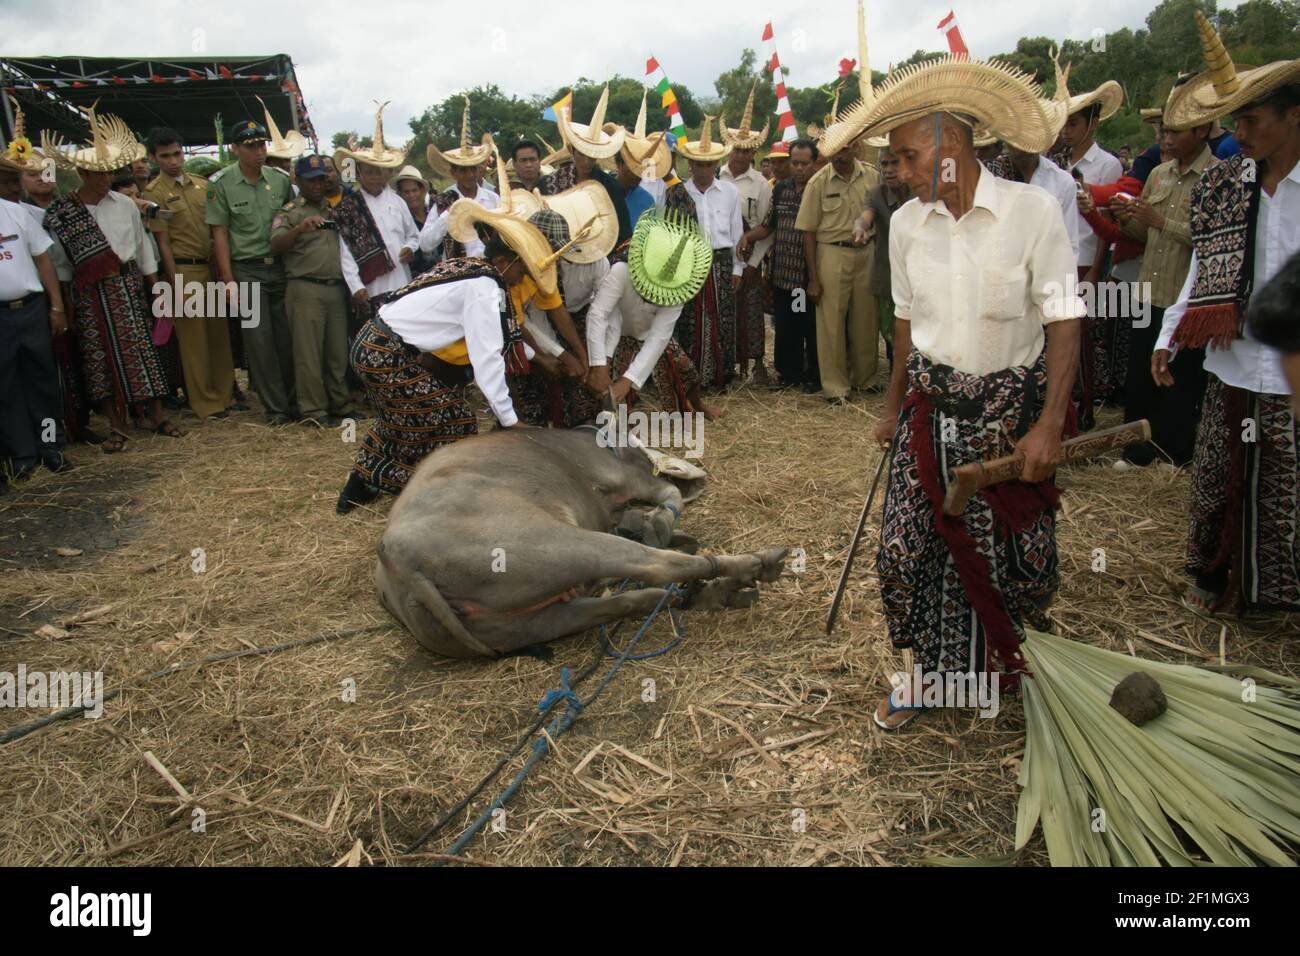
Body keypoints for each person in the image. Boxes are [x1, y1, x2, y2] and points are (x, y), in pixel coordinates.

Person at [843, 44, 1082, 729]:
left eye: (910, 156)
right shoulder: (906, 224)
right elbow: (905, 325)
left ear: (954, 145)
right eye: (894, 158)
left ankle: (1004, 669)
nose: (900, 171)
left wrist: (1049, 426)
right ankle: (924, 676)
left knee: (1013, 560)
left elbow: (1065, 322)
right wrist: (891, 409)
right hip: (928, 411)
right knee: (903, 552)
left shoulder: (1033, 212)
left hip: (1008, 416)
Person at [1153, 12, 1300, 614]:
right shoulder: (1225, 187)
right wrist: (1168, 336)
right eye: (1234, 120)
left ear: (1295, 115)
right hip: (1233, 360)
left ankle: (1282, 594)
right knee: (1220, 473)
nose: (1239, 132)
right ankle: (1216, 578)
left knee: (1288, 484)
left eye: (1251, 120)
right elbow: (1201, 273)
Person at [336, 207, 560, 513]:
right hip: (384, 353)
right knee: (455, 421)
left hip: (376, 345)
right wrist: (511, 421)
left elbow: (501, 336)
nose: (525, 277)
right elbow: (488, 359)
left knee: (401, 419)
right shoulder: (485, 289)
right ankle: (433, 492)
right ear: (504, 263)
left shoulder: (478, 273)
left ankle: (359, 486)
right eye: (523, 269)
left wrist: (540, 358)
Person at [40, 107, 183, 450]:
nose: (105, 180)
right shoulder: (63, 213)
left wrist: (156, 289)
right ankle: (117, 425)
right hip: (89, 293)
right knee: (97, 358)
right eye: (97, 174)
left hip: (127, 286)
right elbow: (60, 263)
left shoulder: (125, 204)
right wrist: (63, 303)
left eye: (111, 174)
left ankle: (158, 415)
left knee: (144, 352)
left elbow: (143, 248)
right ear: (82, 173)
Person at [1115, 113, 1216, 467]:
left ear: (1202, 130)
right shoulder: (1159, 174)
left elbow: (1213, 240)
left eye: (1174, 132)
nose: (1166, 139)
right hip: (1147, 294)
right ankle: (1136, 451)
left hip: (1184, 301)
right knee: (1140, 377)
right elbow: (1145, 236)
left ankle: (1174, 454)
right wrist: (1127, 218)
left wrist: (1161, 221)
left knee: (1179, 379)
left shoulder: (1217, 176)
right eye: (1163, 132)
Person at [142, 126, 239, 420]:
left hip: (210, 267)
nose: (173, 161)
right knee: (194, 343)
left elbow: (216, 230)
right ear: (153, 158)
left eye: (177, 153)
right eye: (165, 156)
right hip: (183, 270)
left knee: (218, 336)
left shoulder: (202, 186)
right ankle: (205, 403)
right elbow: (163, 244)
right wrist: (176, 284)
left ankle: (225, 396)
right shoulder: (153, 194)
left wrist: (224, 275)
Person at [206, 118, 297, 424]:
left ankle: (294, 401)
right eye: (250, 146)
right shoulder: (220, 184)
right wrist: (228, 281)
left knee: (287, 340)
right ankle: (276, 409)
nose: (258, 151)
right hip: (247, 272)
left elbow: (290, 221)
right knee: (260, 344)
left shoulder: (280, 180)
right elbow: (219, 234)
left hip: (280, 270)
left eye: (261, 145)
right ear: (234, 149)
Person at [587, 212, 717, 419]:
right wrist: (598, 363)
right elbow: (597, 314)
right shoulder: (621, 270)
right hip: (617, 335)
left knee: (688, 371)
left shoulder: (680, 288)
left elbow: (658, 338)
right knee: (609, 396)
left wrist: (628, 380)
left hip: (650, 335)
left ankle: (698, 406)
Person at [0, 142, 70, 486]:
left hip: (30, 310)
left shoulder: (16, 213)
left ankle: (50, 447)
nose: (13, 186)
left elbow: (44, 259)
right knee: (7, 387)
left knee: (42, 381)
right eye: (8, 180)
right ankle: (23, 455)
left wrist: (56, 306)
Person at [270, 154, 356, 427]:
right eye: (311, 180)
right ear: (298, 180)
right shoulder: (291, 211)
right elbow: (275, 245)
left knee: (337, 353)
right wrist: (299, 230)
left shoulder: (334, 210)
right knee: (308, 355)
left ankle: (340, 405)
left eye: (322, 179)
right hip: (305, 288)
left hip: (334, 288)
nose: (318, 185)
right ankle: (313, 410)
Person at [796, 137, 880, 405]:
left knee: (866, 320)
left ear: (855, 148)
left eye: (844, 149)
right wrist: (813, 278)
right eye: (833, 150)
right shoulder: (818, 182)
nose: (839, 155)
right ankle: (835, 387)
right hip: (831, 253)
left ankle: (865, 380)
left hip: (867, 252)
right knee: (830, 323)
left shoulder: (872, 175)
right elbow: (808, 232)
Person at [740, 138, 819, 392]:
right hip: (782, 274)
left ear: (814, 164)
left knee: (808, 326)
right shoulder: (781, 190)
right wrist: (747, 237)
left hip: (805, 276)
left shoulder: (818, 190)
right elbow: (768, 225)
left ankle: (811, 375)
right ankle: (788, 375)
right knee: (786, 327)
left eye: (803, 164)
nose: (798, 168)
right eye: (794, 163)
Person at [674, 116, 744, 389]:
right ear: (689, 165)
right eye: (698, 164)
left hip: (722, 262)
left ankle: (721, 376)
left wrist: (738, 268)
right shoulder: (678, 193)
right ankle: (692, 378)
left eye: (709, 164)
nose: (703, 170)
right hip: (689, 264)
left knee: (722, 319)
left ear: (716, 165)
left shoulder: (729, 191)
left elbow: (737, 232)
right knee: (690, 320)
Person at [333, 103, 419, 322]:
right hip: (369, 285)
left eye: (378, 172)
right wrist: (355, 286)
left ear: (386, 174)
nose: (374, 176)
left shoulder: (398, 202)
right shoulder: (348, 208)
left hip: (401, 280)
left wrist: (410, 248)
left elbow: (413, 235)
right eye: (369, 172)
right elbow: (345, 253)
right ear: (359, 173)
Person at [719, 83, 774, 386]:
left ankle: (757, 365)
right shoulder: (717, 177)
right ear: (730, 149)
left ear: (754, 151)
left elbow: (767, 226)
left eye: (747, 150)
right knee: (726, 310)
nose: (741, 155)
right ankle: (729, 364)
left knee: (751, 313)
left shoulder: (760, 184)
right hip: (722, 254)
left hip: (751, 256)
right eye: (737, 149)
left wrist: (755, 262)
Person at [546, 84, 633, 244]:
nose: (586, 162)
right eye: (582, 155)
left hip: (600, 254)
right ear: (572, 151)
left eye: (592, 157)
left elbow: (622, 231)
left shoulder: (611, 187)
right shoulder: (550, 182)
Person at [854, 139, 912, 369]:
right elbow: (865, 217)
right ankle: (895, 375)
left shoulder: (922, 191)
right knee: (893, 333)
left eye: (894, 163)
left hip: (922, 275)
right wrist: (859, 229)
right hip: (889, 275)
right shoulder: (876, 194)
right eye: (884, 164)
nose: (888, 170)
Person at [422, 97, 498, 260]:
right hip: (457, 274)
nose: (470, 175)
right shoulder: (444, 200)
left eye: (473, 169)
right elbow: (425, 243)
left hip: (491, 271)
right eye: (463, 171)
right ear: (453, 173)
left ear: (479, 170)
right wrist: (449, 214)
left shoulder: (492, 199)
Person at [392, 166, 434, 275]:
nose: (411, 195)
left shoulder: (434, 211)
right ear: (400, 194)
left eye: (414, 190)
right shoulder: (399, 221)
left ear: (422, 190)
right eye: (406, 192)